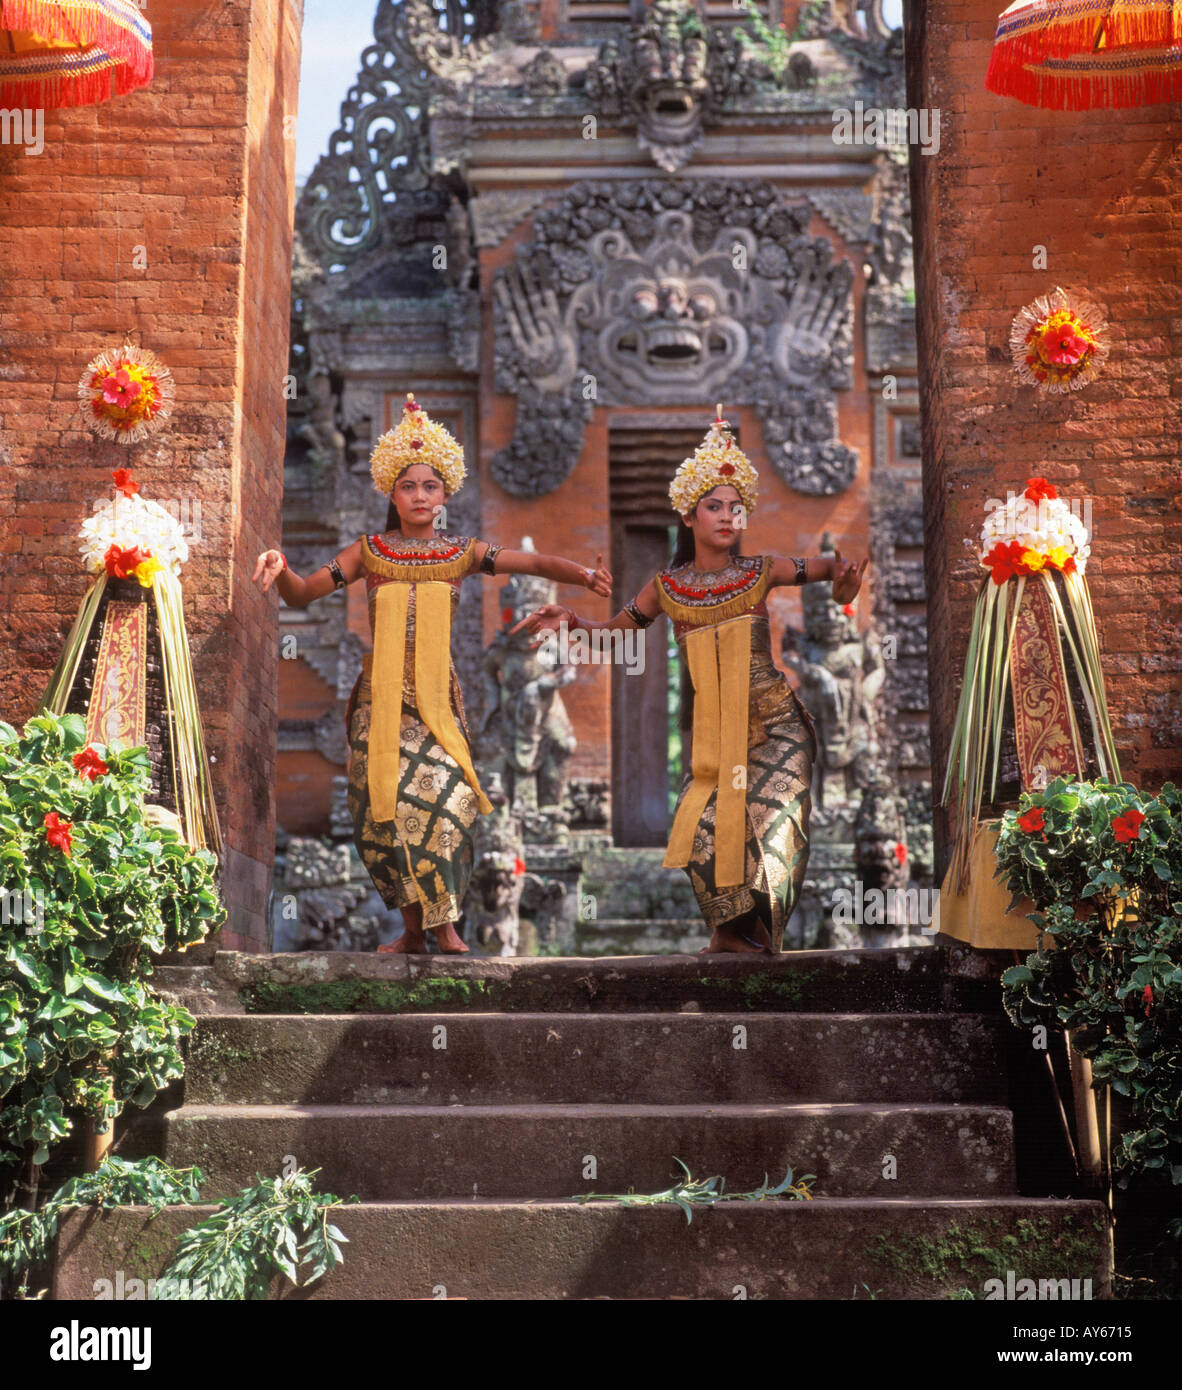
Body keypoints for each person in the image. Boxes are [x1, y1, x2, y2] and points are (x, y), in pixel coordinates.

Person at [253, 394, 611, 954]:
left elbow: (532, 563)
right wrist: (280, 568)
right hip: (380, 702)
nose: (420, 496)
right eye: (408, 486)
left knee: (449, 801)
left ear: (444, 495)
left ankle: (445, 924)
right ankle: (413, 931)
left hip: (436, 703)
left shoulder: (460, 552)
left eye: (430, 487)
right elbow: (303, 591)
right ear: (391, 493)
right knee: (382, 811)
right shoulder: (368, 552)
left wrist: (583, 574)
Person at [513, 406, 867, 954]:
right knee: (701, 826)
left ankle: (758, 939)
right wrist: (574, 622)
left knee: (770, 832)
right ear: (688, 516)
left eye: (736, 508)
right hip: (712, 738)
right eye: (714, 506)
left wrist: (845, 587)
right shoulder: (667, 588)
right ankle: (728, 935)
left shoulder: (762, 570)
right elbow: (614, 636)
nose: (728, 517)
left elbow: (829, 574)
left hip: (775, 728)